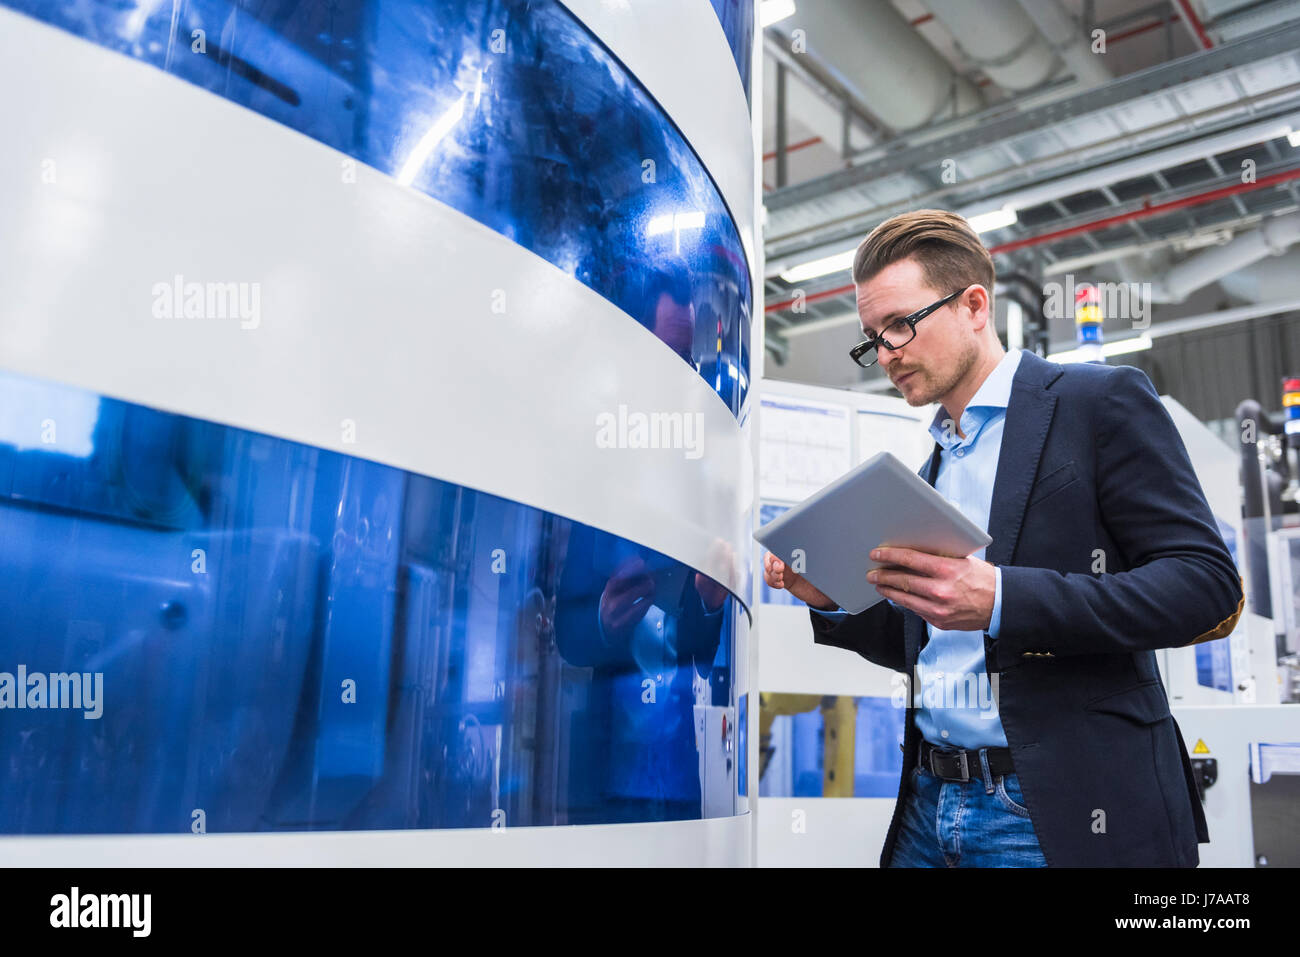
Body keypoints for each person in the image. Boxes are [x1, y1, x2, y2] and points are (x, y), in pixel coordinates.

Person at [763, 209, 1243, 867]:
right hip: (930, 807)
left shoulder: (1097, 404)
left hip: (1055, 809)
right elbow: (931, 644)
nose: (885, 352)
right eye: (872, 336)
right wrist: (830, 598)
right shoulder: (935, 461)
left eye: (900, 324)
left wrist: (1003, 600)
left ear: (974, 305)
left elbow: (1205, 585)